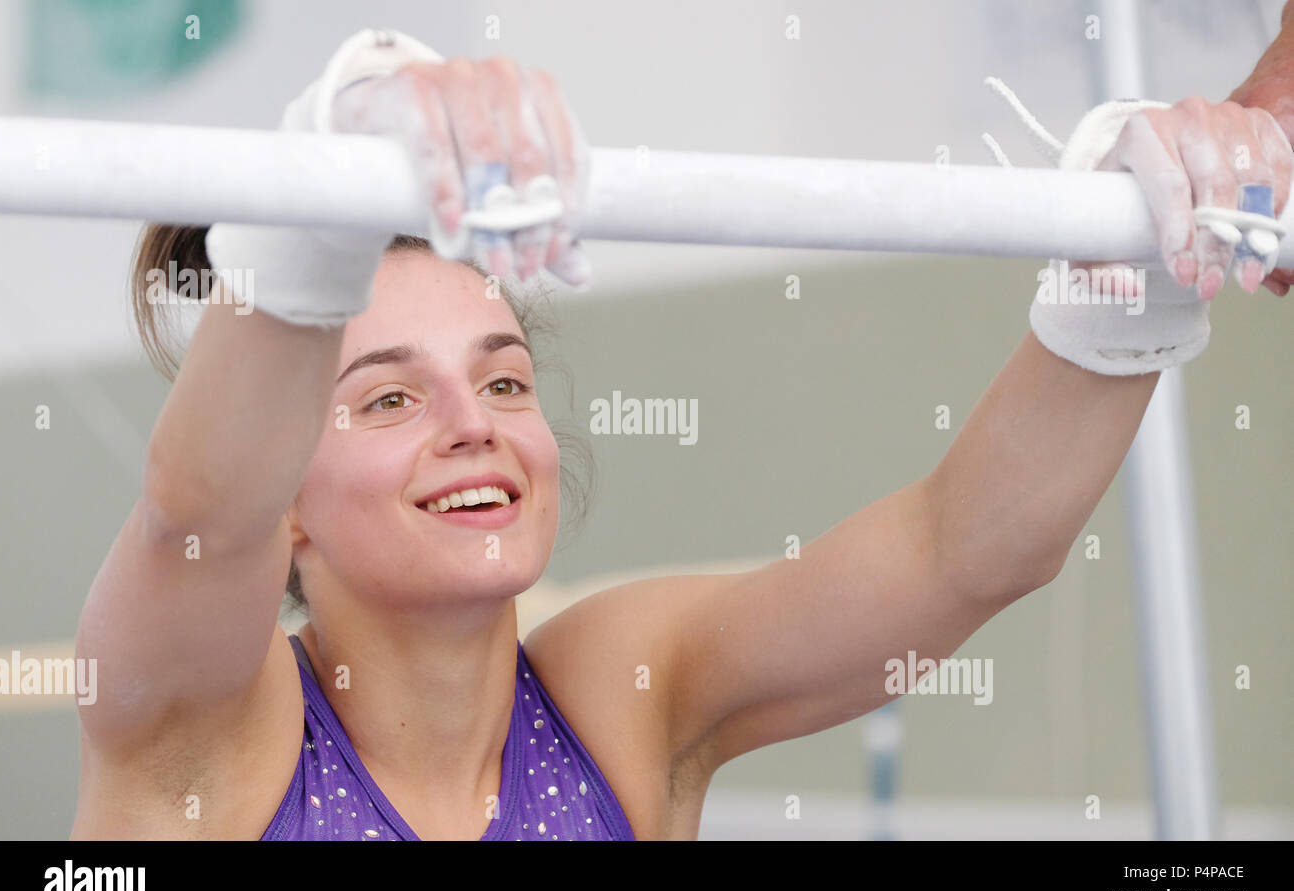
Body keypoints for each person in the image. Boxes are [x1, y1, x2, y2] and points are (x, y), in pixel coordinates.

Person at [69, 24, 1292, 840]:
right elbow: (199, 511)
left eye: (501, 383)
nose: (471, 429)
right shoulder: (203, 731)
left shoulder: (619, 692)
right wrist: (323, 174)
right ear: (285, 491)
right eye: (390, 397)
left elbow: (958, 551)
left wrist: (1126, 283)